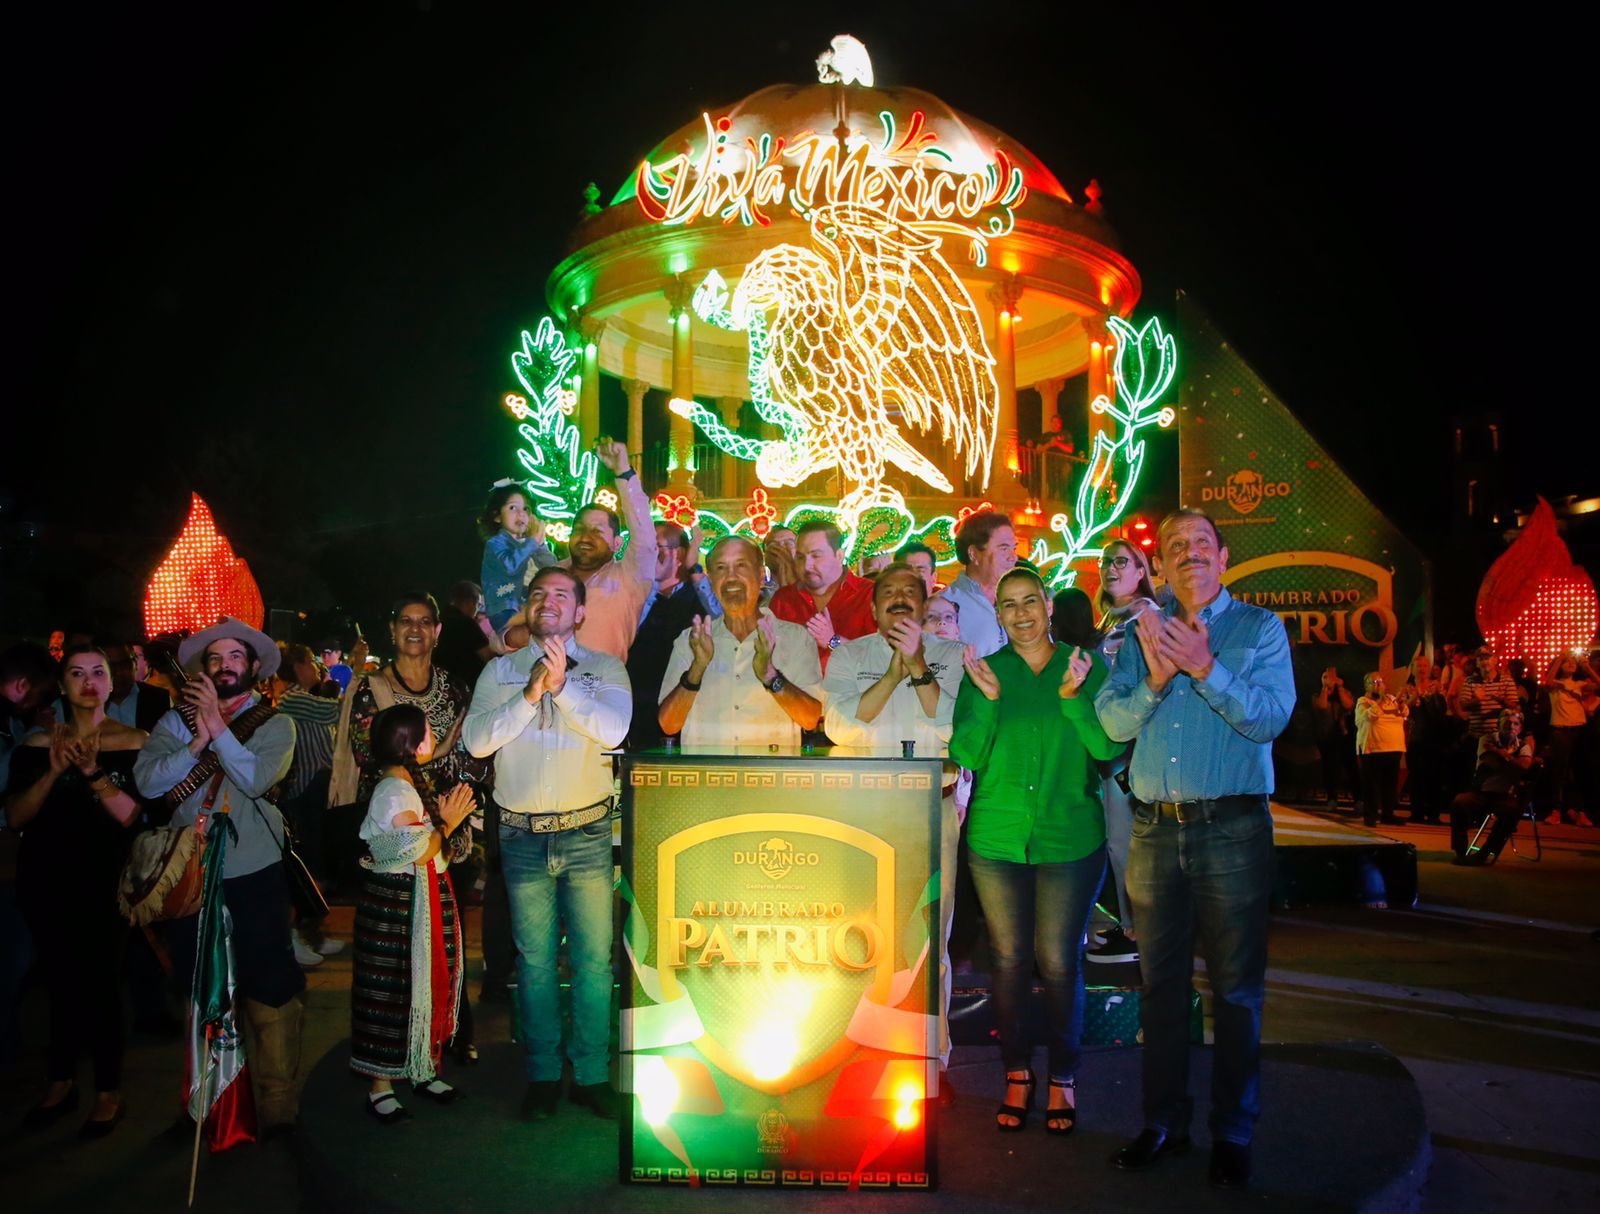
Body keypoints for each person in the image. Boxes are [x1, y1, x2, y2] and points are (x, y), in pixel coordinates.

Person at [1095, 509, 1294, 1189]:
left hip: (1232, 830)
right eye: (1174, 547)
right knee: (1161, 989)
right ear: (1161, 567)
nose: (1188, 555)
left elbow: (1271, 717)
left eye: (1200, 544)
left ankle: (1233, 1131)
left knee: (1236, 990)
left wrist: (1207, 669)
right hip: (1153, 829)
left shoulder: (1259, 630)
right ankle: (1163, 1121)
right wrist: (1153, 678)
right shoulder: (1137, 635)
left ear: (1224, 556)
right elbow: (1111, 722)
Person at [952, 568, 1121, 1135]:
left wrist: (1074, 699)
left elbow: (1106, 748)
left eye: (1030, 601)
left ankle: (1064, 1076)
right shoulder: (985, 673)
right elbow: (966, 753)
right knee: (1007, 961)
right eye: (1008, 605)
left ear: (1049, 605)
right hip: (997, 840)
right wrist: (992, 701)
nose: (1021, 613)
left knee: (1057, 961)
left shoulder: (1085, 667)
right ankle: (1017, 1072)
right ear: (997, 613)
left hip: (1069, 839)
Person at [463, 567, 631, 1120]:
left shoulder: (605, 668)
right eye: (538, 595)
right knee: (533, 962)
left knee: (592, 962)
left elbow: (614, 731)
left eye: (562, 594)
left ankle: (590, 1073)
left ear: (580, 612)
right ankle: (540, 1072)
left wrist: (563, 691)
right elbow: (478, 741)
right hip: (521, 836)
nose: (547, 601)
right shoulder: (502, 672)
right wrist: (532, 693)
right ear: (528, 611)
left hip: (585, 835)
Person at [133, 617, 305, 1137]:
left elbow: (254, 778)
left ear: (253, 667)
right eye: (215, 658)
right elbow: (146, 782)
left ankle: (277, 1107)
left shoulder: (276, 724)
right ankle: (206, 1101)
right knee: (197, 985)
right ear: (202, 670)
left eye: (236, 656)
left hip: (256, 873)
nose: (225, 665)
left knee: (269, 984)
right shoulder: (174, 724)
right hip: (193, 875)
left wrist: (220, 730)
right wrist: (195, 742)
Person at [821, 562, 965, 1099]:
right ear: (874, 605)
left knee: (932, 939)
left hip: (933, 810)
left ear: (926, 605)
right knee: (860, 937)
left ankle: (932, 1056)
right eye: (889, 593)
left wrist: (919, 666)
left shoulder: (952, 656)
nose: (900, 600)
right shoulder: (850, 654)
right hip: (864, 814)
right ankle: (859, 1050)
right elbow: (838, 726)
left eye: (911, 592)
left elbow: (954, 729)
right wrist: (891, 675)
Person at [331, 593, 487, 1059]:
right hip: (396, 832)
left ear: (438, 631)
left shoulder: (456, 688)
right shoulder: (369, 689)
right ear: (392, 630)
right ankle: (396, 1044)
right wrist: (428, 802)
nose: (415, 629)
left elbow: (468, 755)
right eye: (405, 621)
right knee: (398, 945)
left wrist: (454, 812)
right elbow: (368, 755)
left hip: (450, 834)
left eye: (425, 622)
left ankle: (449, 1031)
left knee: (448, 934)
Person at [6, 645, 148, 1137]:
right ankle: (60, 1081)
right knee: (60, 983)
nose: (88, 682)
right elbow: (16, 817)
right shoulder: (37, 742)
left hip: (107, 881)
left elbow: (132, 817)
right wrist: (54, 769)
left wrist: (91, 773)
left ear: (112, 684)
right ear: (62, 685)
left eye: (99, 673)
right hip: (45, 879)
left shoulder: (134, 741)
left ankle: (108, 1090)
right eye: (76, 673)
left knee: (103, 985)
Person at [351, 704, 477, 1123]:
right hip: (398, 906)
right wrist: (449, 821)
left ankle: (421, 1068)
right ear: (411, 743)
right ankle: (379, 1085)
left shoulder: (404, 783)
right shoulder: (394, 791)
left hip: (417, 899)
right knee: (393, 990)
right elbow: (416, 849)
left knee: (423, 986)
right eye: (427, 734)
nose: (432, 741)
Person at [658, 537, 822, 746]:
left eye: (741, 566)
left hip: (771, 776)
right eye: (721, 568)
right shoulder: (691, 640)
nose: (731, 577)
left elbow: (810, 720)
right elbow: (668, 725)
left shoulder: (795, 638)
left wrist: (770, 676)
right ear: (710, 580)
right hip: (708, 776)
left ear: (761, 576)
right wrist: (697, 669)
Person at [503, 440, 657, 661]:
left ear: (616, 544)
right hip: (537, 688)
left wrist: (623, 472)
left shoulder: (630, 577)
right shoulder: (550, 575)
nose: (585, 537)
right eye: (580, 529)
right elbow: (505, 633)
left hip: (597, 689)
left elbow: (643, 533)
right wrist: (520, 637)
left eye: (597, 531)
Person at [1086, 539, 1163, 965]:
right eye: (1105, 561)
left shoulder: (1145, 616)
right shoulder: (1111, 619)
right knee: (1119, 843)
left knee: (1127, 844)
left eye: (1121, 561)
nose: (1110, 568)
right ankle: (1134, 925)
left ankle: (1139, 933)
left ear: (1141, 570)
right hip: (1111, 749)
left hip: (1133, 751)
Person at [270, 642, 344, 966]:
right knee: (308, 866)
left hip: (315, 787)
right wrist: (350, 668)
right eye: (313, 661)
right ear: (298, 666)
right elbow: (334, 711)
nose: (318, 666)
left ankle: (312, 932)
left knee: (319, 862)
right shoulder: (293, 698)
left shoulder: (304, 696)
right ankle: (297, 935)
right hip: (303, 791)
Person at [626, 521, 713, 749]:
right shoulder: (631, 595)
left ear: (680, 554)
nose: (649, 555)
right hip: (634, 711)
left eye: (657, 547)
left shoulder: (698, 598)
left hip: (682, 712)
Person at [769, 521, 876, 671]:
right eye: (800, 557)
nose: (807, 565)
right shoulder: (783, 600)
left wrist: (832, 641)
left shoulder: (870, 594)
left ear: (839, 555)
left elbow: (883, 659)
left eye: (816, 556)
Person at [1450, 709, 1537, 862]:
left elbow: (1524, 767)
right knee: (1460, 802)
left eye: (1515, 724)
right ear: (1498, 724)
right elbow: (1492, 763)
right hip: (1482, 792)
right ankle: (1460, 851)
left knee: (1512, 812)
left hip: (1505, 795)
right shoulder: (1486, 739)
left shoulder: (1523, 746)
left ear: (1520, 728)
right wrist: (1513, 762)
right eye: (1507, 722)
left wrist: (1501, 753)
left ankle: (1486, 852)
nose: (1511, 727)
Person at [941, 510, 1016, 658]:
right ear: (974, 554)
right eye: (1004, 549)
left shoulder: (1020, 599)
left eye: (1014, 549)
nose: (1013, 557)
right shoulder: (945, 604)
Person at [478, 481, 545, 637]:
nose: (521, 514)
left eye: (526, 509)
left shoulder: (527, 543)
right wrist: (532, 543)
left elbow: (551, 566)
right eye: (513, 508)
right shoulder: (495, 544)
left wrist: (540, 545)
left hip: (522, 605)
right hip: (504, 608)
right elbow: (510, 566)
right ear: (497, 517)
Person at [1543, 653, 1597, 826]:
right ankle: (1556, 811)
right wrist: (1560, 658)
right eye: (1568, 662)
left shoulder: (1580, 684)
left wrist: (1587, 667)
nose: (1571, 664)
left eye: (1573, 662)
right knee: (1559, 773)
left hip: (1579, 731)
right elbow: (1548, 680)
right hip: (1560, 731)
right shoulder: (1555, 685)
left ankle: (1580, 812)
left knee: (1579, 772)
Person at [1400, 653, 1450, 825]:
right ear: (1413, 669)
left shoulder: (1437, 686)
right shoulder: (1406, 688)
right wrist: (1416, 696)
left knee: (1435, 777)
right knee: (1416, 777)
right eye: (1418, 666)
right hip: (1415, 739)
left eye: (1425, 666)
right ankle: (1417, 813)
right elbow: (1403, 710)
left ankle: (1434, 814)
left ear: (1429, 669)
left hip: (1435, 739)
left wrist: (1436, 695)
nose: (1421, 669)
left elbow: (1444, 710)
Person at [1355, 672, 1408, 826]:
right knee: (1371, 785)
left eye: (1380, 681)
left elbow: (1404, 713)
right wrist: (1379, 701)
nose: (1378, 685)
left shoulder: (1392, 700)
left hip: (1394, 748)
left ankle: (1388, 814)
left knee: (1390, 785)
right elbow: (1371, 716)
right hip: (1372, 749)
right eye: (1374, 682)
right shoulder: (1363, 701)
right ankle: (1370, 816)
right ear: (1367, 686)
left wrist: (1400, 702)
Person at [1310, 667, 1358, 810]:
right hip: (1326, 738)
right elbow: (1322, 706)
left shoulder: (1344, 692)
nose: (1329, 679)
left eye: (1331, 677)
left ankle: (1358, 799)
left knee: (1351, 768)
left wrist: (1340, 687)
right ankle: (1332, 798)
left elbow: (1348, 704)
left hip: (1344, 736)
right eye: (1325, 677)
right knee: (1329, 769)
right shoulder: (1316, 695)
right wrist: (1326, 687)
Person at [434, 581, 497, 688]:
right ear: (469, 602)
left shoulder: (439, 621)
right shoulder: (466, 623)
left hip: (441, 685)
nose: (477, 610)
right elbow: (488, 656)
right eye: (478, 605)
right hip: (465, 687)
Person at [103, 643, 173, 732]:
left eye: (123, 664)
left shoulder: (159, 698)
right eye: (111, 666)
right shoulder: (88, 704)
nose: (118, 672)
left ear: (135, 663)